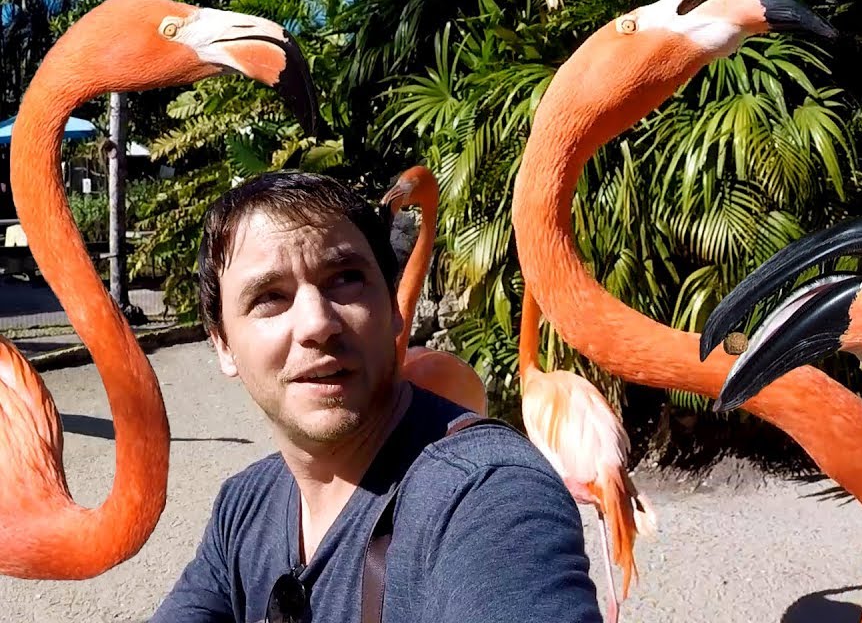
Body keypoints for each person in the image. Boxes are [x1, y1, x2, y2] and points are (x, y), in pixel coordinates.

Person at [151, 170, 603, 623]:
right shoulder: (243, 507)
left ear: (393, 306)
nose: (317, 323)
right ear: (223, 345)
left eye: (345, 278)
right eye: (270, 297)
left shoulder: (485, 495)